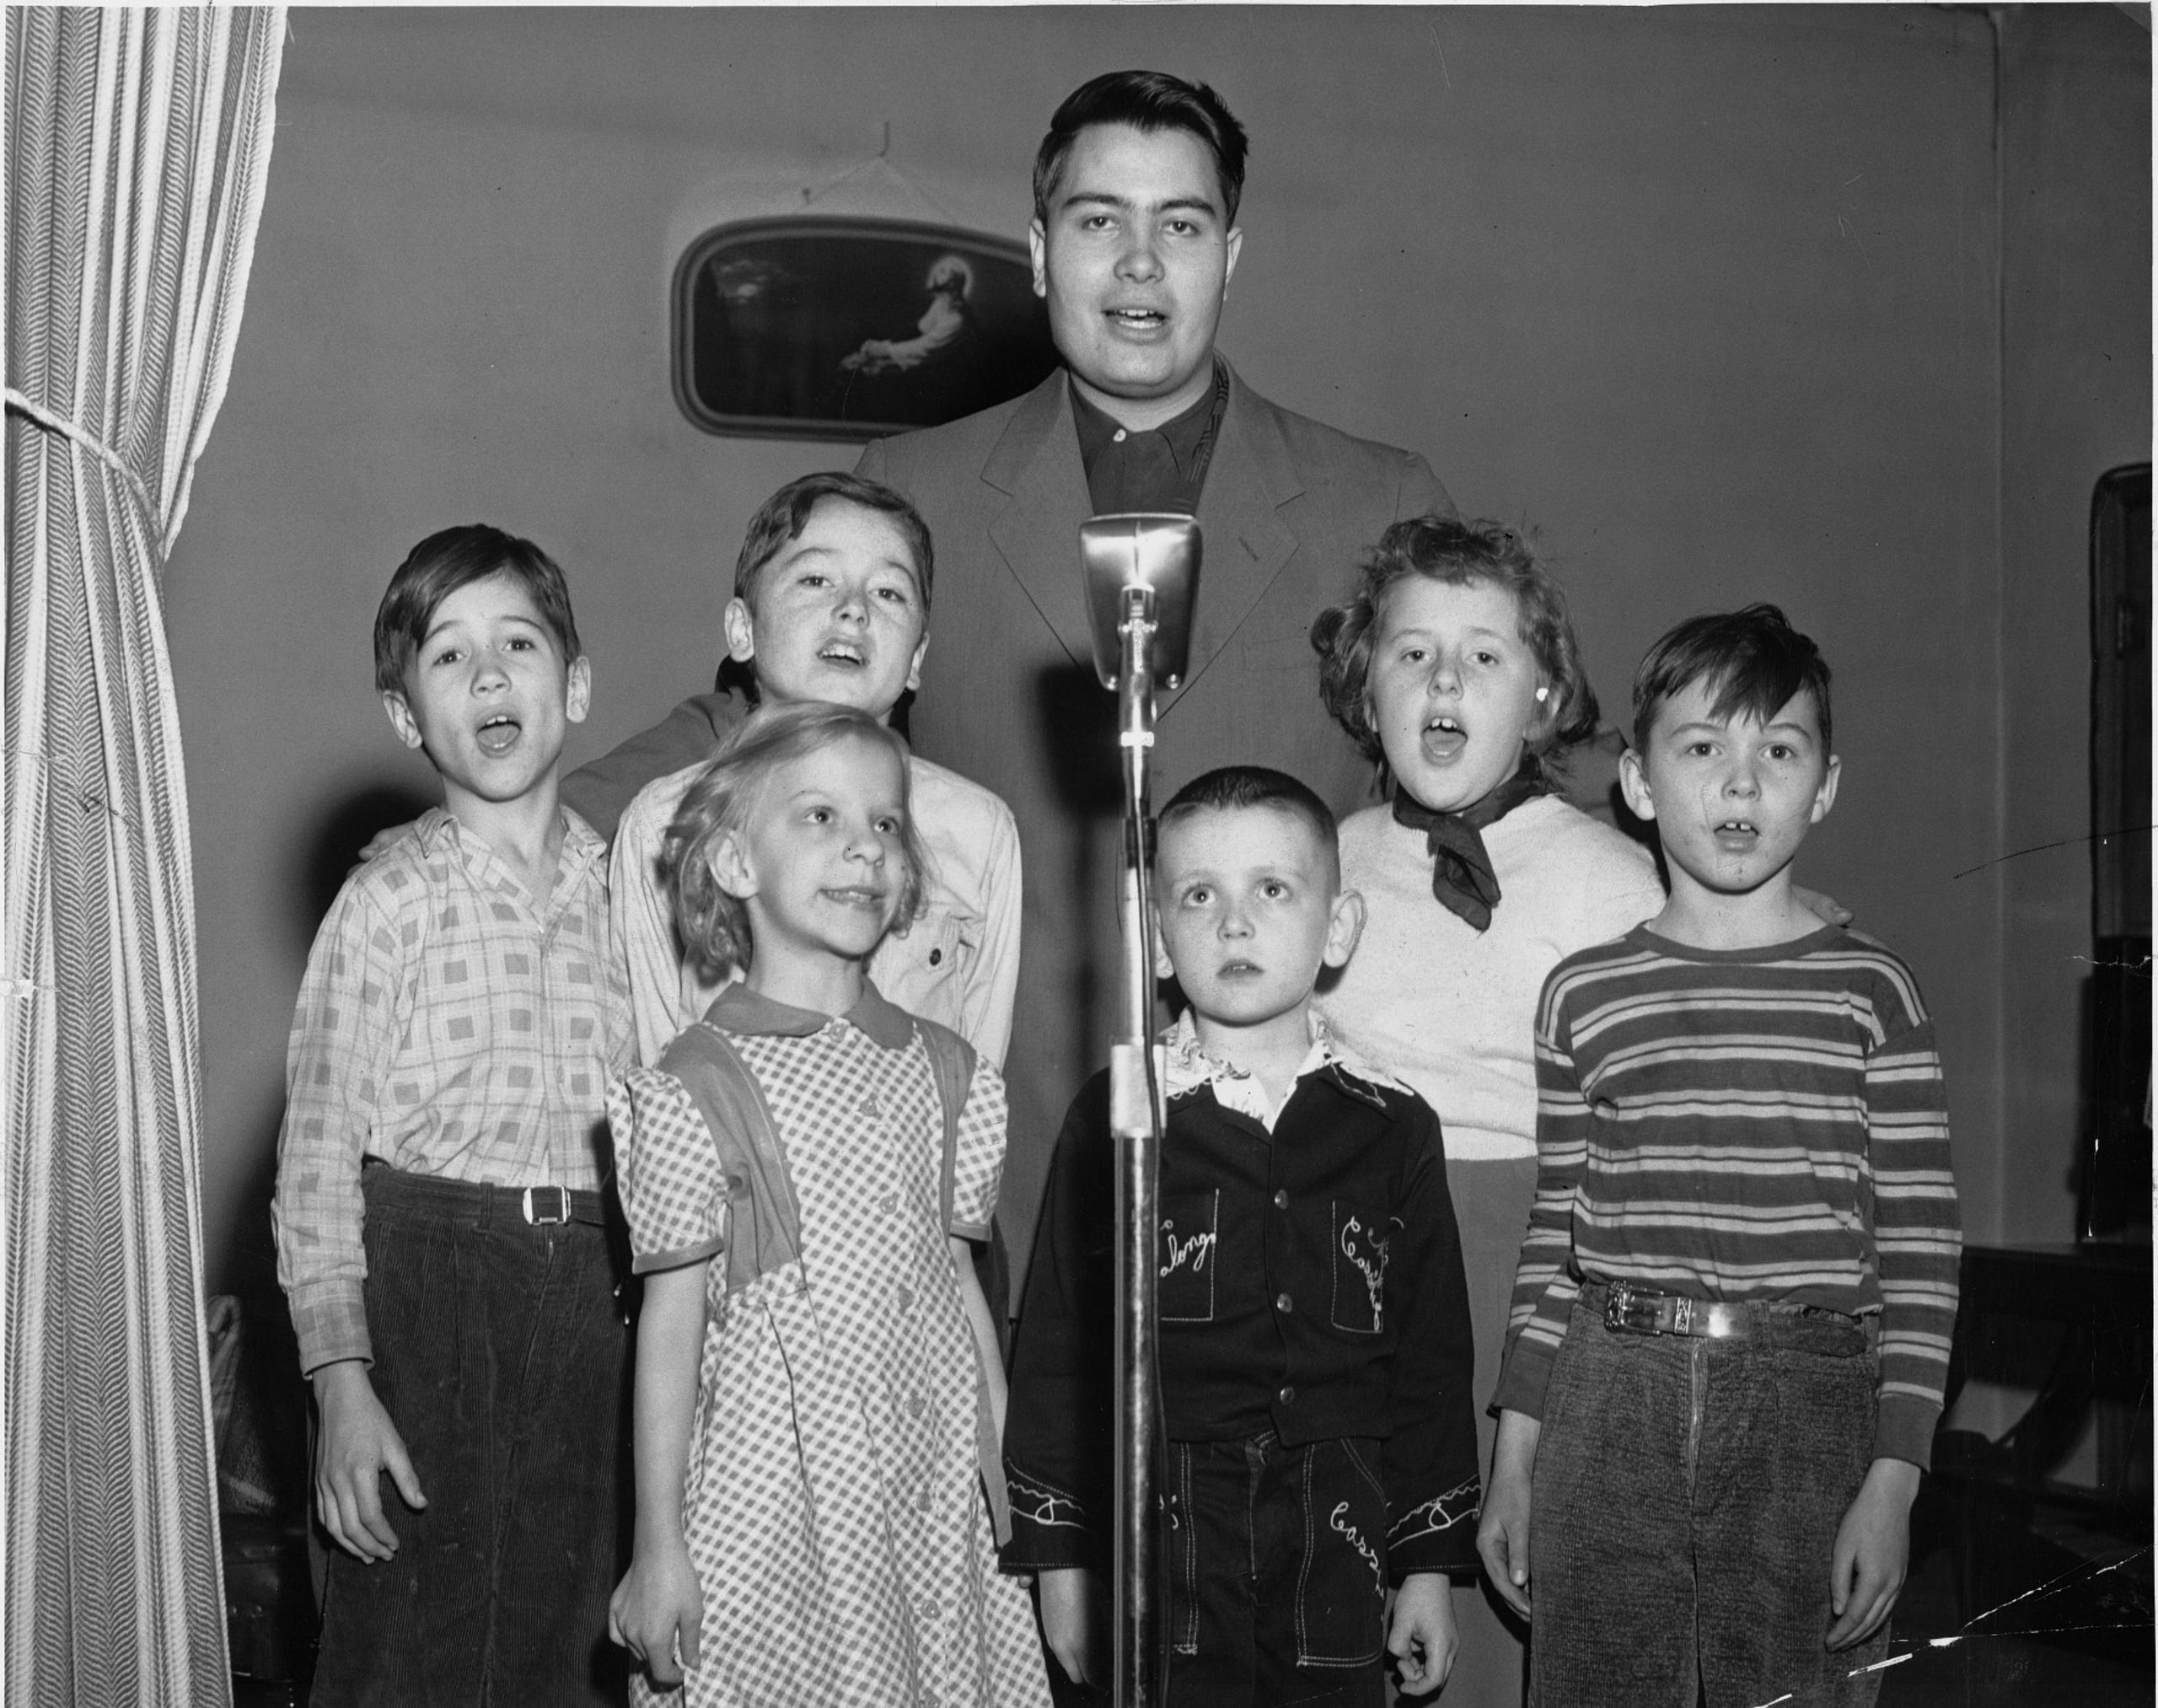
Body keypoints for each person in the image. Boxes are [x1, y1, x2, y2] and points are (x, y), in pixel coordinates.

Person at [856, 68, 1463, 1292]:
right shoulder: (907, 487)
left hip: (1302, 1168)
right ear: (1036, 250)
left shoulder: (1378, 503)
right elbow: (768, 735)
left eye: (1179, 226)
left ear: (1231, 254)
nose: (1140, 264)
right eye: (1098, 221)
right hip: (998, 1162)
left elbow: (1483, 800)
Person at [1477, 604, 1962, 1707]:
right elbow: (1558, 1235)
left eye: (1778, 752)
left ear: (1824, 786)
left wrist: (1892, 1481)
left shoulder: (1870, 993)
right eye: (1704, 748)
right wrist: (1516, 1457)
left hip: (1807, 1403)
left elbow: (1923, 1256)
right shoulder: (1584, 995)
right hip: (1611, 1396)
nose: (1742, 785)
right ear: (1640, 783)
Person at [604, 702, 1051, 1708]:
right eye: (818, 817)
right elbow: (669, 1331)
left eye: (886, 823)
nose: (864, 844)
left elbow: (961, 1296)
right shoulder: (697, 1082)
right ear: (732, 863)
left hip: (932, 1498)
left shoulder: (948, 1073)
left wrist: (1015, 1487)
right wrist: (658, 1542)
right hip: (774, 1504)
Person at [1004, 765, 1481, 1706]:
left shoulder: (1394, 1126)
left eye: (1272, 889)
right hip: (1166, 1519)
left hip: (1337, 1517)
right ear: (1155, 939)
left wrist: (1424, 1564)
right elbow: (1059, 1344)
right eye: (1197, 894)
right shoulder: (1119, 1113)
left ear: (1336, 925)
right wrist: (1063, 1559)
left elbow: (1429, 1356)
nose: (1233, 922)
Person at [271, 524, 634, 1705]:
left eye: (519, 644)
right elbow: (318, 1162)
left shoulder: (638, 901)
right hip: (428, 1295)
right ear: (404, 714)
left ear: (573, 686)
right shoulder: (384, 903)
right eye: (448, 656)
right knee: (409, 1651)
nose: (488, 677)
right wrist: (341, 1382)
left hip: (596, 1297)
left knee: (573, 1646)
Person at [1310, 515, 1664, 1704]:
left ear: (1548, 690)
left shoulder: (1612, 878)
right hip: (1351, 1271)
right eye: (1411, 653)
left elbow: (1640, 1139)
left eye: (1485, 655)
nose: (1445, 678)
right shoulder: (1327, 859)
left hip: (1532, 1262)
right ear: (1367, 687)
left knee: (1517, 1591)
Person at [607, 470, 1020, 1070]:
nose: (853, 610)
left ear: (917, 661)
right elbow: (656, 1067)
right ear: (742, 631)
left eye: (888, 593)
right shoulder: (662, 823)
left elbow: (980, 1082)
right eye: (816, 579)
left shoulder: (978, 829)